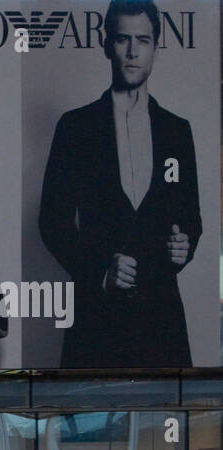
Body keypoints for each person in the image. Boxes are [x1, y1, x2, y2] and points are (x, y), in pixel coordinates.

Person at [38, 0, 202, 369]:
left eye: (142, 40)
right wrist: (98, 272)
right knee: (85, 426)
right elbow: (52, 223)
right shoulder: (75, 128)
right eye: (122, 39)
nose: (132, 52)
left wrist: (185, 244)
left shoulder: (177, 132)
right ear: (106, 44)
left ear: (156, 46)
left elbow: (191, 216)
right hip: (96, 323)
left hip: (163, 323)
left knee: (166, 420)